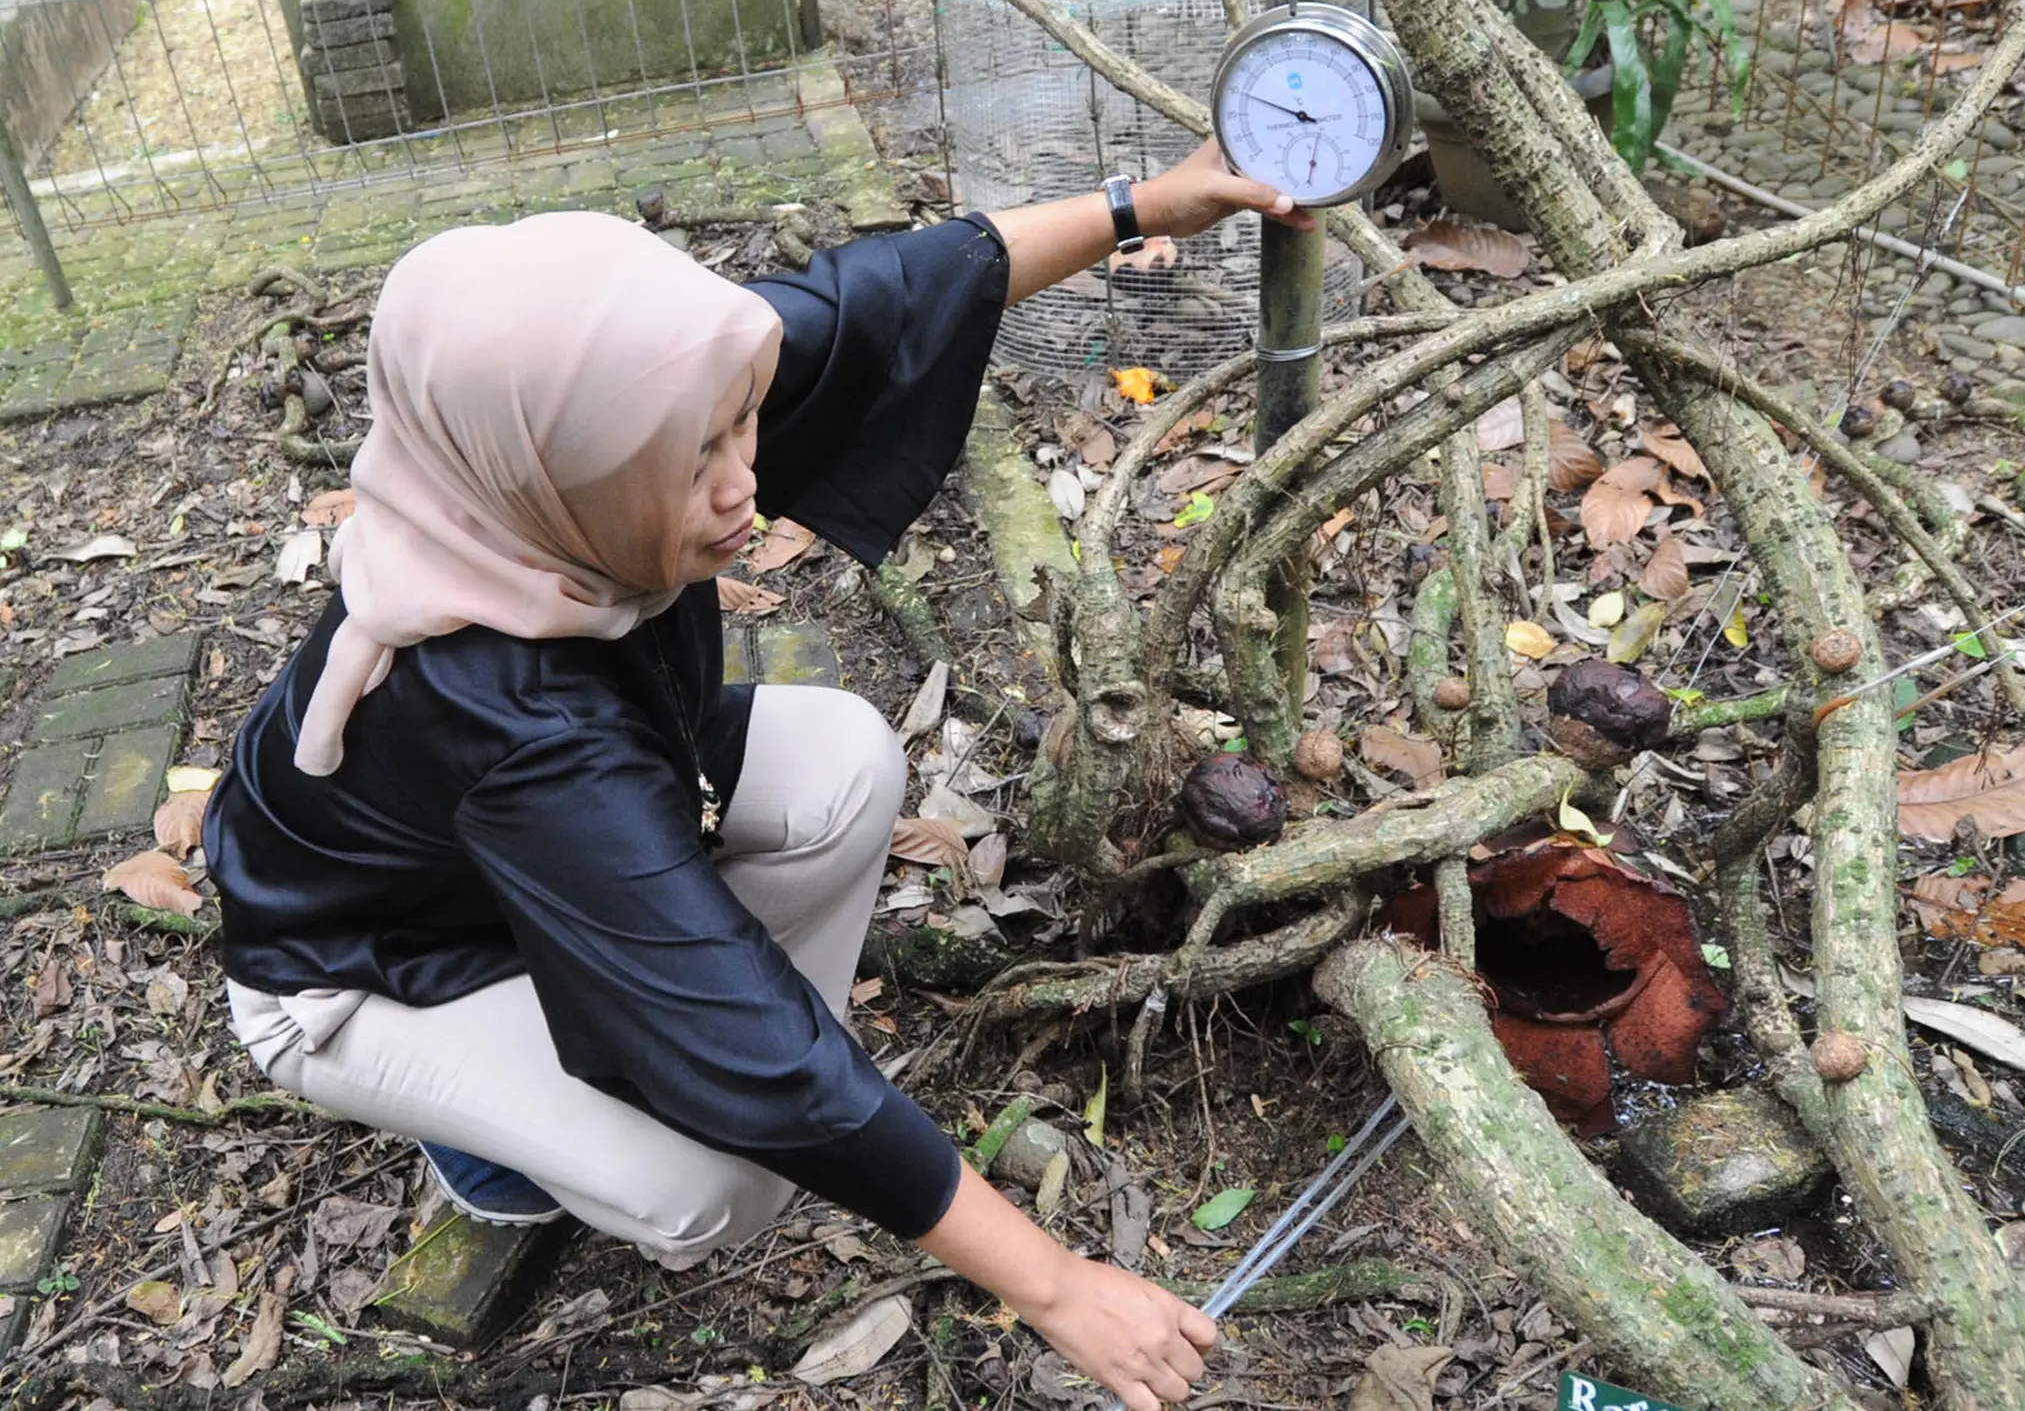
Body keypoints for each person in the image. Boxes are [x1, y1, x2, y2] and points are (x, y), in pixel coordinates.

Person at [202, 142, 1308, 1411]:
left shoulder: (594, 439)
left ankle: (693, 1033)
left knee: (841, 759)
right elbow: (755, 1056)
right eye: (699, 465)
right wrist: (1055, 1285)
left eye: (744, 424)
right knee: (720, 1183)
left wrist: (1144, 205)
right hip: (363, 967)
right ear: (561, 478)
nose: (746, 489)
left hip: (533, 832)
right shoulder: (513, 718)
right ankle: (504, 1141)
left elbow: (895, 288)